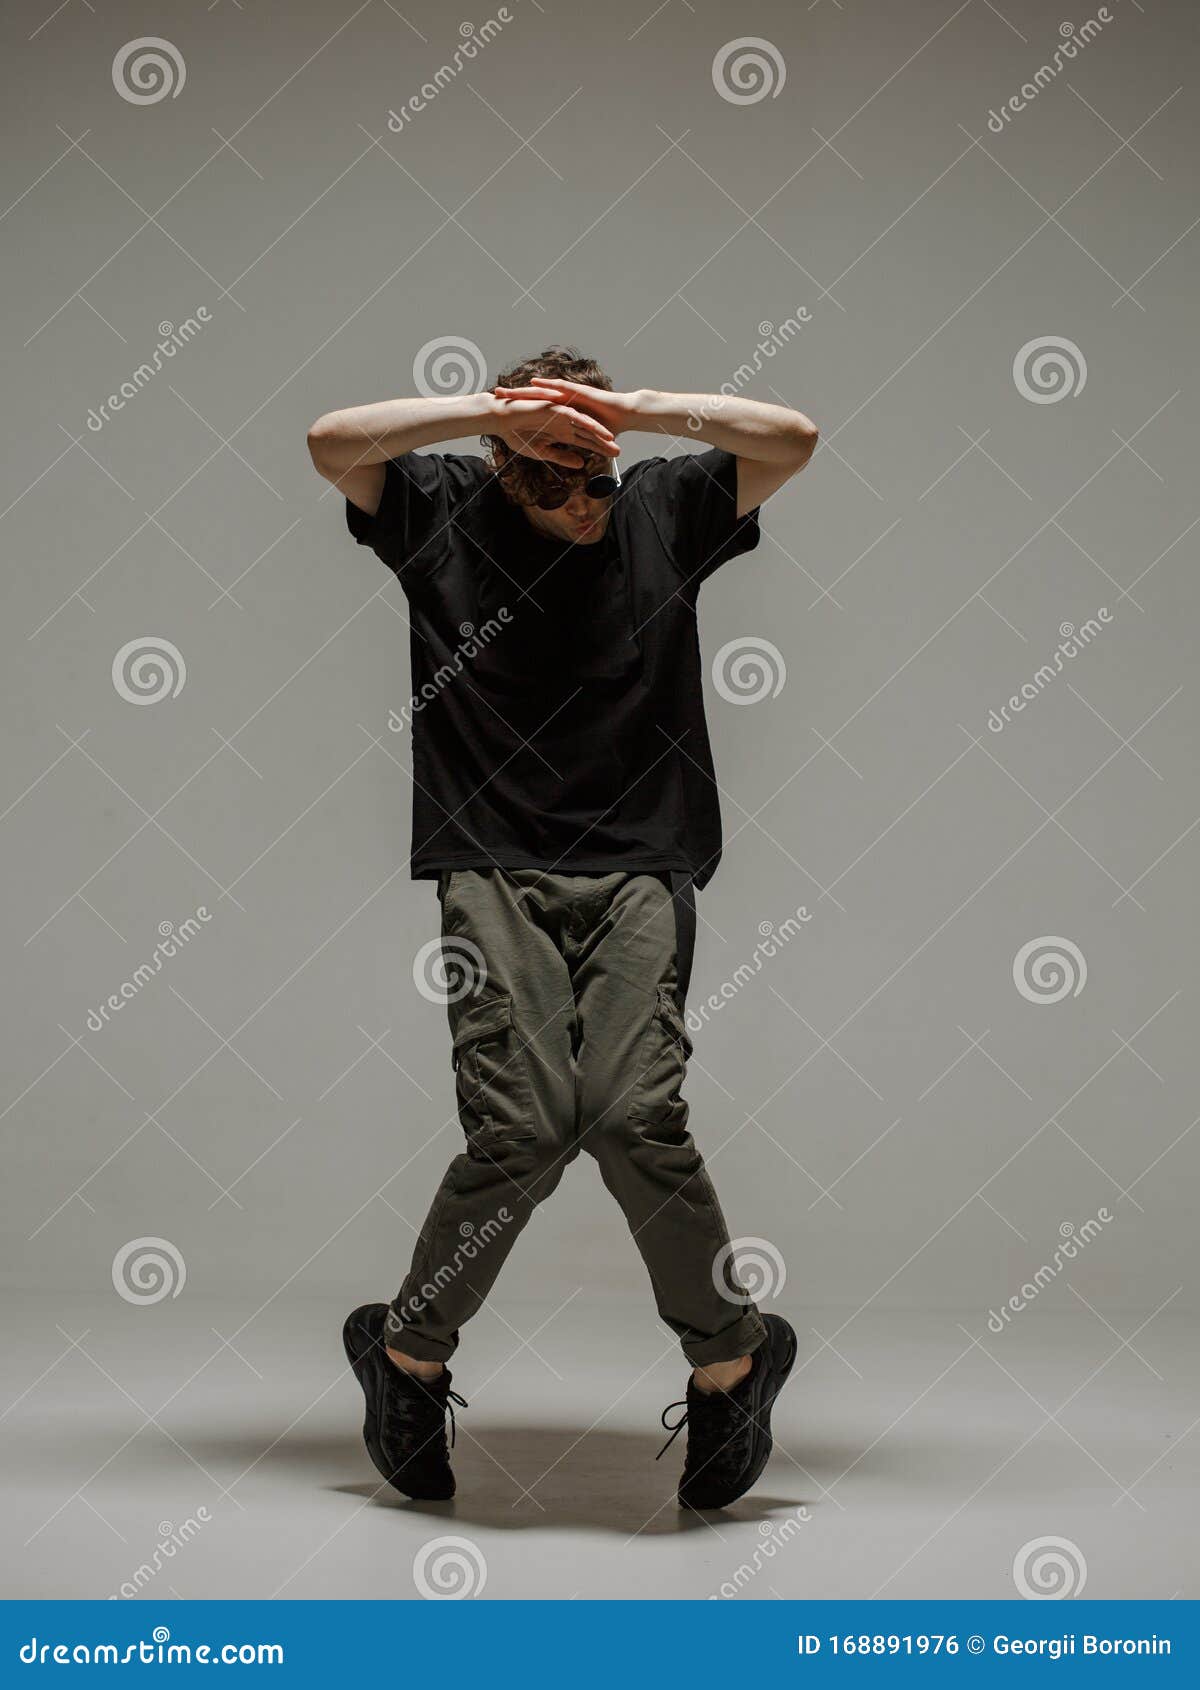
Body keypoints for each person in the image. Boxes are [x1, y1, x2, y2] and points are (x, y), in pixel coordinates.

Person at [307, 346, 817, 1509]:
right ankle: (406, 1355)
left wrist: (629, 410)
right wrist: (494, 411)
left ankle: (733, 1363)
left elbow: (790, 437)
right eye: (550, 466)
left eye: (596, 467)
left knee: (636, 1113)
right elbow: (331, 439)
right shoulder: (436, 507)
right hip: (492, 860)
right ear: (502, 455)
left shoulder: (667, 507)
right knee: (524, 1125)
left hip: (641, 857)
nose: (581, 493)